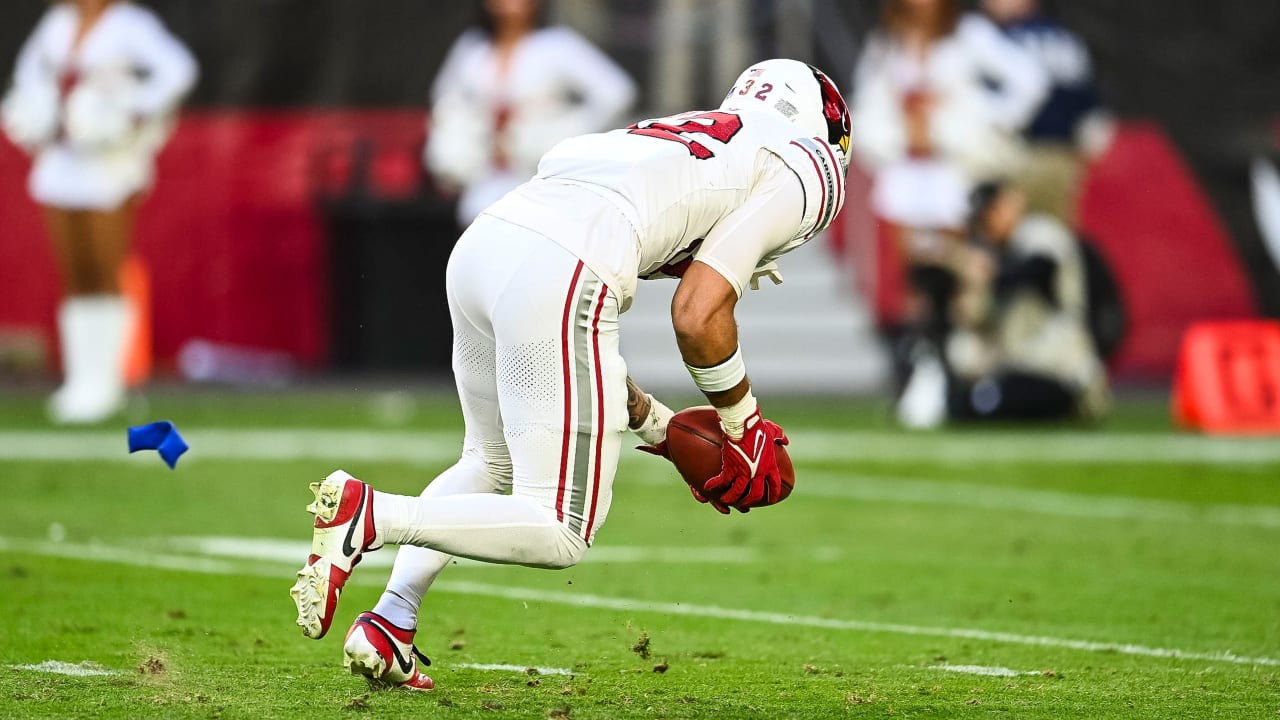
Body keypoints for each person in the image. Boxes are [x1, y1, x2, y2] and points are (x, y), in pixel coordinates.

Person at [290, 59, 852, 691]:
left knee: (491, 460)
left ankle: (391, 621)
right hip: (561, 262)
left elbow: (589, 357)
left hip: (489, 242)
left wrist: (661, 429)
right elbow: (697, 314)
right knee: (561, 527)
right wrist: (742, 424)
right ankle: (375, 516)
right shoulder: (808, 162)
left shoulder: (684, 137)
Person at [1, 0, 196, 424]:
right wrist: (40, 110)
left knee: (104, 267)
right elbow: (27, 73)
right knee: (74, 271)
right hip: (61, 158)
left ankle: (107, 382)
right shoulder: (56, 23)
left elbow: (178, 70)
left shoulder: (131, 24)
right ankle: (80, 379)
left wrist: (129, 108)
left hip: (108, 162)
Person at [899, 180, 1111, 426]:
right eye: (981, 219)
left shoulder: (1041, 234)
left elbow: (1031, 272)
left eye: (990, 213)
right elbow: (973, 312)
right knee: (969, 392)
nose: (986, 225)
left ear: (1009, 204)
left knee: (988, 402)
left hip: (1061, 369)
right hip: (1018, 365)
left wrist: (972, 266)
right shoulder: (993, 252)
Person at [425, 0, 636, 228]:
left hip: (538, 178)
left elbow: (616, 93)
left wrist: (567, 134)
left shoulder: (557, 46)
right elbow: (445, 100)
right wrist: (458, 144)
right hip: (482, 181)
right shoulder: (473, 48)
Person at [982, 0, 1114, 225]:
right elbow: (1093, 122)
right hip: (1063, 162)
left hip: (1011, 159)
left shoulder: (997, 42)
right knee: (1052, 241)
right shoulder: (1068, 41)